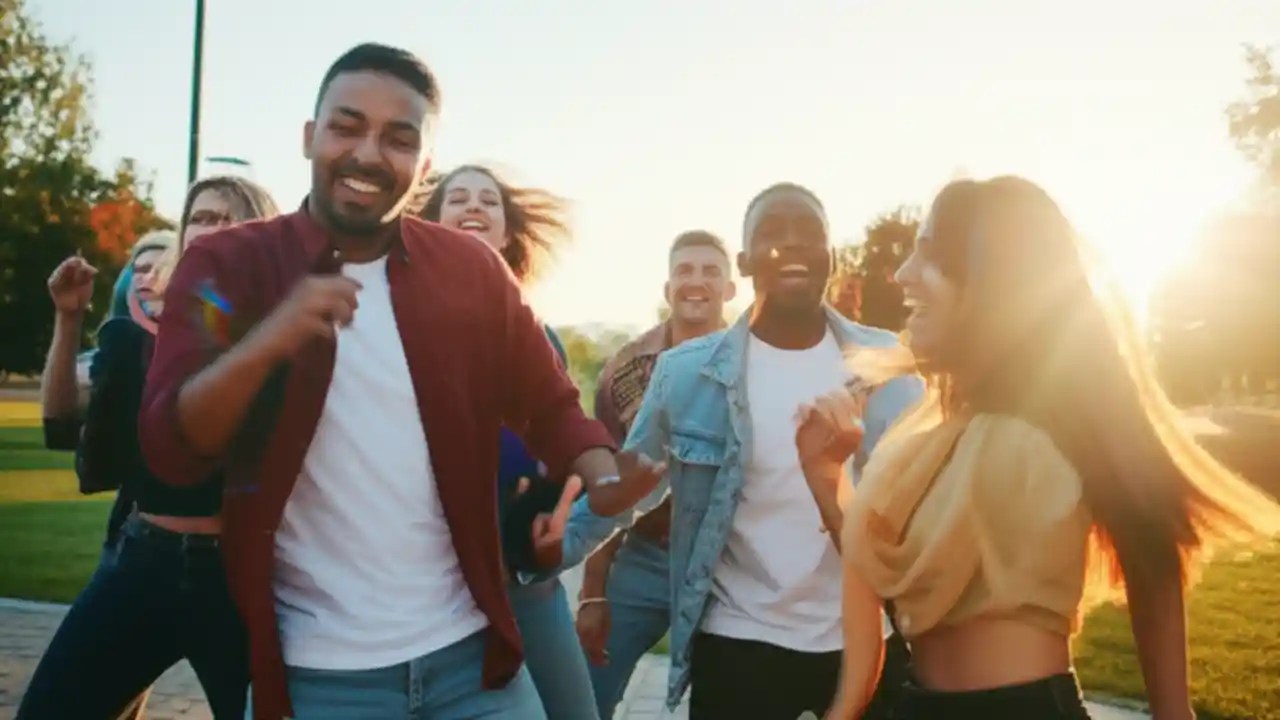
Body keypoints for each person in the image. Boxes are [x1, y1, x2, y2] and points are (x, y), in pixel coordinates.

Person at [138, 43, 660, 720]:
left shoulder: (468, 269)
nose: (366, 154)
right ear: (309, 136)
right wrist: (269, 341)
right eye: (347, 127)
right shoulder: (229, 264)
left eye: (398, 138)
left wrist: (602, 472)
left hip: (475, 667)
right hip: (320, 678)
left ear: (424, 167)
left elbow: (547, 400)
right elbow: (172, 445)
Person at [816, 176, 1280, 719]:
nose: (902, 275)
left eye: (927, 252)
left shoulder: (1064, 419)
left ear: (992, 277)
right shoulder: (920, 443)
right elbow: (874, 573)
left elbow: (1151, 564)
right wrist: (825, 475)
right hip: (916, 707)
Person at [562, 182, 924, 719]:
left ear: (831, 252)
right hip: (739, 639)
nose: (792, 246)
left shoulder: (885, 363)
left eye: (810, 233)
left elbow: (920, 507)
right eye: (772, 234)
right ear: (746, 260)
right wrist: (546, 554)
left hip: (865, 635)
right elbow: (629, 487)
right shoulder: (687, 373)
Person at [23, 176, 281, 720]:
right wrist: (69, 319)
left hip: (240, 578)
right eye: (202, 217)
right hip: (144, 562)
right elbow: (61, 429)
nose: (214, 228)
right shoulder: (137, 336)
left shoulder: (287, 334)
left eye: (231, 218)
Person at [421, 163, 599, 719]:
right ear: (426, 224)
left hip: (520, 579)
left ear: (506, 233)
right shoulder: (398, 329)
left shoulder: (540, 339)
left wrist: (548, 520)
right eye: (458, 198)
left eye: (489, 201)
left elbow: (547, 466)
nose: (474, 206)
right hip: (430, 586)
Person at [573, 229, 736, 718]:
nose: (696, 281)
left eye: (710, 271)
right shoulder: (627, 370)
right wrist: (592, 593)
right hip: (645, 553)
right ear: (667, 288)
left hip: (726, 563)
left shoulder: (752, 362)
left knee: (726, 701)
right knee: (584, 690)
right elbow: (601, 483)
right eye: (685, 270)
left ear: (729, 289)